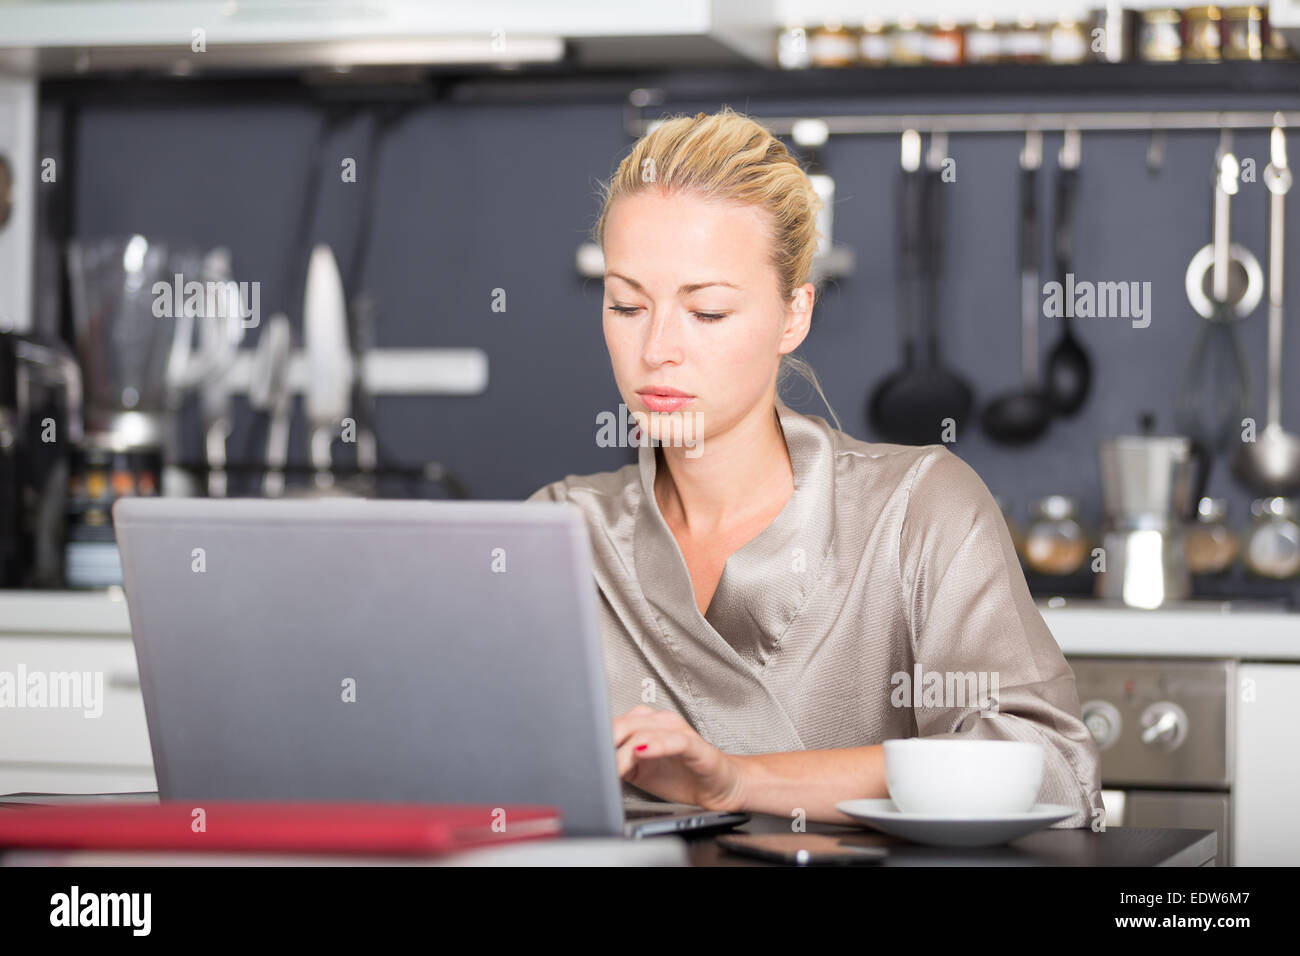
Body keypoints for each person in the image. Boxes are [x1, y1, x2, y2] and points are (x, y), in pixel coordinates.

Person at [527, 106, 1103, 828]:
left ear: (793, 315)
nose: (657, 348)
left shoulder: (919, 512)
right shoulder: (557, 533)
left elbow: (1045, 765)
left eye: (706, 312)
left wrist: (737, 780)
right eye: (626, 305)